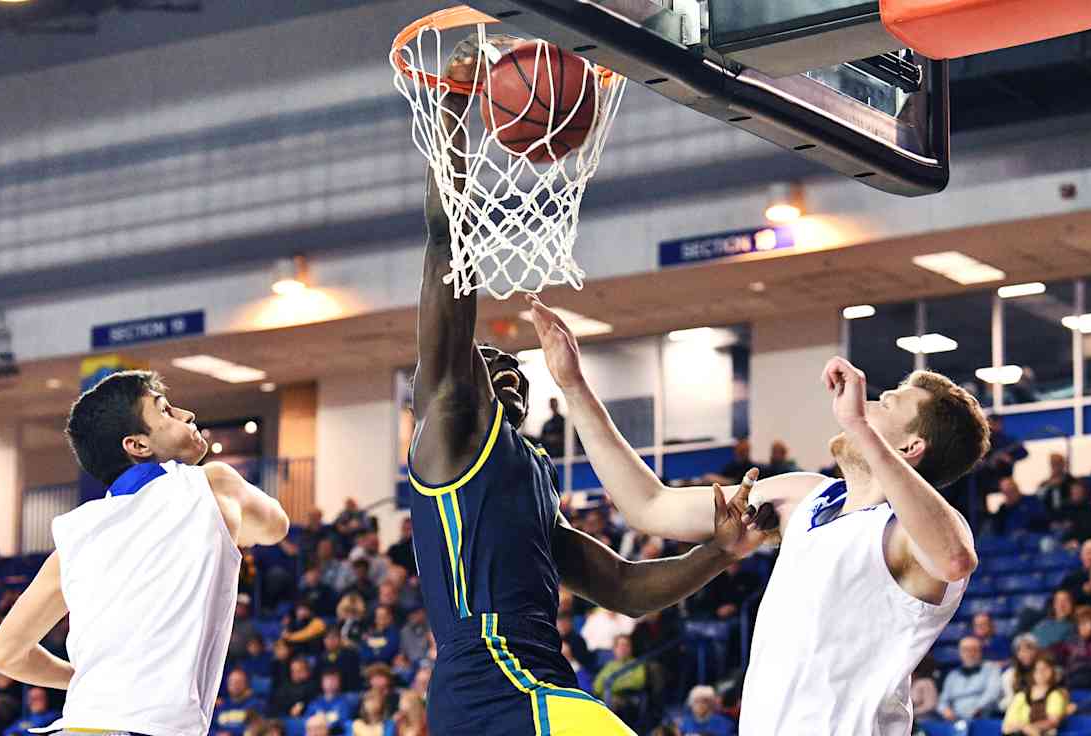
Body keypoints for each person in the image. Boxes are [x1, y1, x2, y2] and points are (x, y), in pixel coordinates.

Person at [404, 36, 766, 736]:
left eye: (516, 366)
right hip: (494, 682)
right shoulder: (448, 428)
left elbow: (624, 588)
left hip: (533, 684)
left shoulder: (532, 477)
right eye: (490, 359)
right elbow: (447, 244)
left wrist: (719, 552)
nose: (509, 366)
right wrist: (453, 106)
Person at [530, 295, 990, 734]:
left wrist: (859, 427)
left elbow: (954, 559)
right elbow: (651, 505)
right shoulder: (804, 496)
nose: (863, 406)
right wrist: (573, 385)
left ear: (910, 447)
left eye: (883, 405)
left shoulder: (902, 533)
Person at [0, 371, 290, 734]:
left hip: (82, 723)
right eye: (165, 410)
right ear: (138, 445)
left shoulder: (75, 537)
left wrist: (86, 681)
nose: (187, 414)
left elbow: (3, 654)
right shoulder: (212, 485)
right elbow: (275, 527)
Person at [1001, 653, 1068, 736]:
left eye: (1045, 668)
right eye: (1037, 669)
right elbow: (1007, 726)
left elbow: (1053, 722)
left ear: (1052, 671)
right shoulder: (1021, 695)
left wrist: (1029, 728)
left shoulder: (1056, 695)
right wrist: (1024, 727)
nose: (1041, 672)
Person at [938, 637, 1002, 721]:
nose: (970, 653)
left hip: (982, 717)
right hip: (955, 720)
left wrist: (978, 708)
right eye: (965, 650)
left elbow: (992, 693)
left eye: (974, 649)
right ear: (960, 653)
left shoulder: (992, 669)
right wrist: (945, 710)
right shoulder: (952, 675)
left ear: (980, 652)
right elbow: (943, 701)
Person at [1062, 606, 1091, 689]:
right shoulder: (1073, 639)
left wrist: (1084, 640)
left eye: (1086, 622)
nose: (1083, 626)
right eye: (1080, 623)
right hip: (1074, 677)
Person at [216, 669, 266, 736]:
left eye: (238, 682)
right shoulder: (220, 705)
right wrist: (216, 734)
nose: (234, 685)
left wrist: (232, 734)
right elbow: (210, 727)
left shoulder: (255, 704)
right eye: (231, 682)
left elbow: (256, 729)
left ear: (246, 684)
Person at [316, 626, 363, 693]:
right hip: (326, 693)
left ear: (340, 639)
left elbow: (354, 677)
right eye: (327, 638)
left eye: (334, 637)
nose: (331, 641)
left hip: (348, 691)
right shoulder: (320, 657)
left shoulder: (350, 655)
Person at [1002, 634, 1042, 712]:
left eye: (1029, 649)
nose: (1025, 654)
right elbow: (1009, 699)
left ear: (1037, 651)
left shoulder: (1045, 671)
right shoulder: (1009, 675)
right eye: (1020, 650)